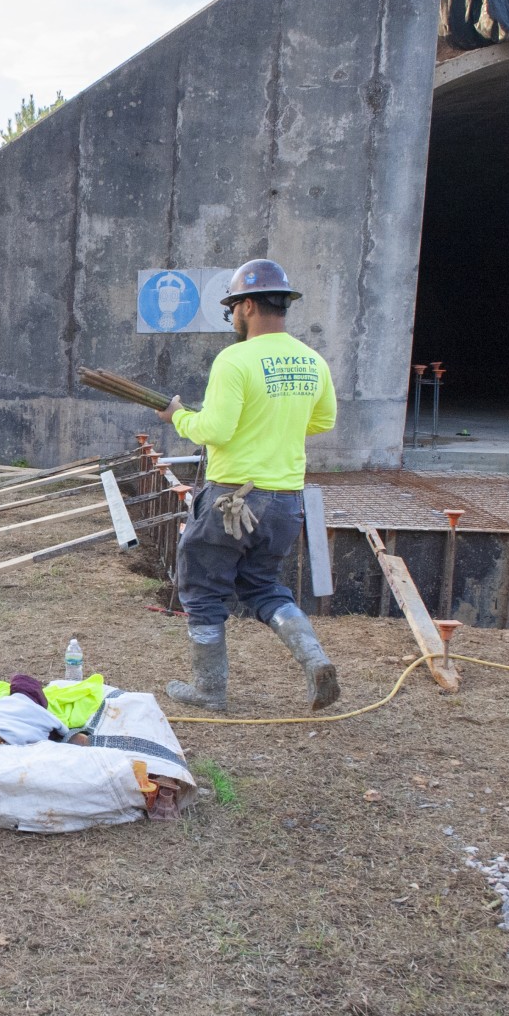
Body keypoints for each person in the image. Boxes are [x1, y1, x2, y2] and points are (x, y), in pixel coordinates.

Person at [157, 258, 340, 712]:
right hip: (285, 502)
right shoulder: (312, 360)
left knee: (201, 588)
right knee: (263, 587)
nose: (233, 316)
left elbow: (215, 430)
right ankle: (313, 658)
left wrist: (177, 415)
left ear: (250, 305)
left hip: (233, 501)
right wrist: (274, 425)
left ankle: (209, 690)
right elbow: (324, 420)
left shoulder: (235, 359)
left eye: (234, 306)